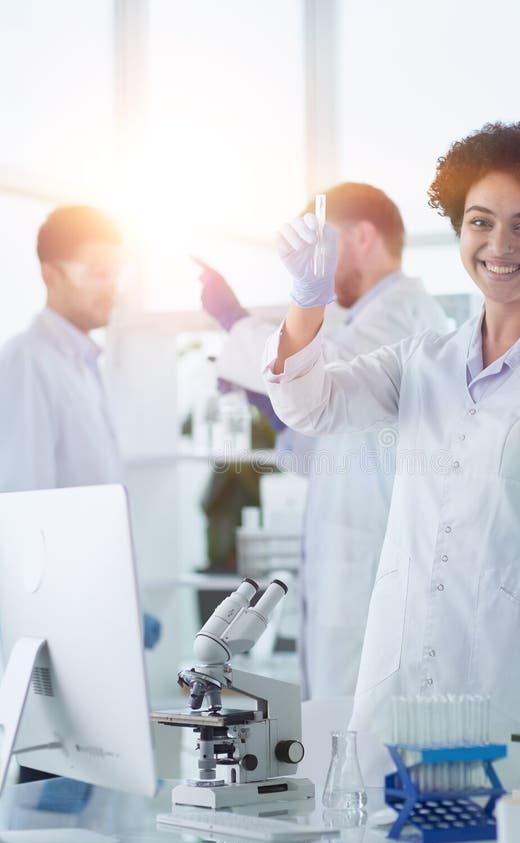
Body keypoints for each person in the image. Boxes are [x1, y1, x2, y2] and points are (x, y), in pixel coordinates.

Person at [262, 122, 520, 787]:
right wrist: (307, 303)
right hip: (398, 680)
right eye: (480, 221)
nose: (500, 246)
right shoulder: (423, 361)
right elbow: (309, 404)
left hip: (515, 681)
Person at [197, 183, 450, 698]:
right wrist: (274, 405)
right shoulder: (367, 319)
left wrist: (234, 322)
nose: (311, 264)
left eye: (320, 245)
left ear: (361, 235)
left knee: (365, 740)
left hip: (376, 571)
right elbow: (336, 439)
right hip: (352, 564)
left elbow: (330, 369)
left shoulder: (403, 311)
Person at [0, 205, 161, 653]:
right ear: (51, 275)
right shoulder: (27, 362)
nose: (111, 286)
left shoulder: (83, 363)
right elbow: (24, 508)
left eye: (116, 272)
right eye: (96, 272)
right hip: (60, 616)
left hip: (98, 603)